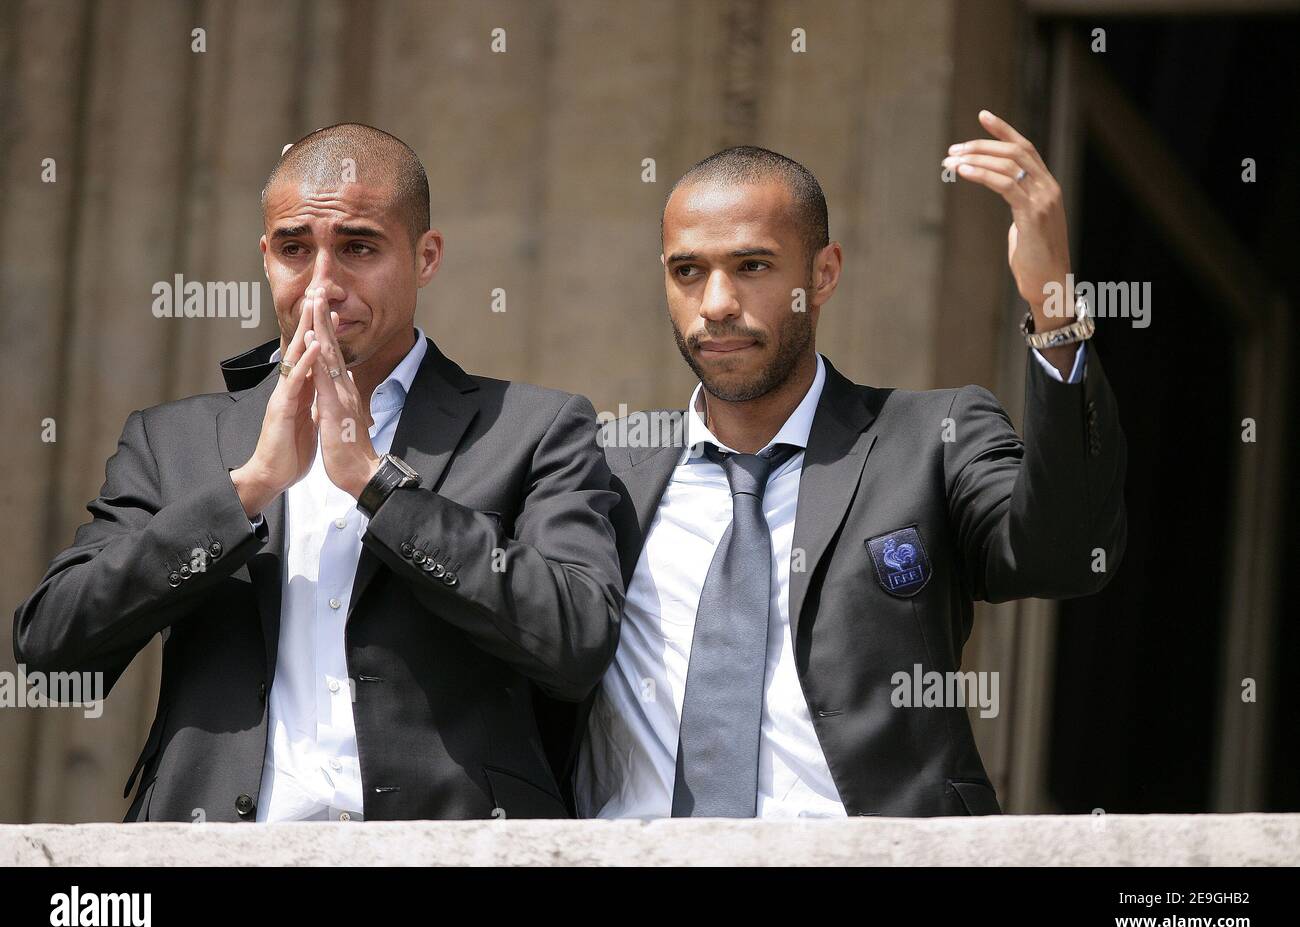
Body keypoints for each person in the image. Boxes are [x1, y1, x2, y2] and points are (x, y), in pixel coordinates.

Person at [14, 124, 624, 823]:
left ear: (426, 257)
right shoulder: (172, 439)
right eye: (295, 249)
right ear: (266, 256)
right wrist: (245, 491)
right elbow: (52, 650)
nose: (323, 285)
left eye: (359, 247)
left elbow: (577, 640)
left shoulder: (534, 428)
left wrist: (377, 485)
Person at [576, 113, 1127, 819]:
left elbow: (1071, 555)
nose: (716, 305)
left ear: (823, 273)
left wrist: (1052, 306)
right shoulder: (603, 471)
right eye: (689, 271)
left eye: (752, 266)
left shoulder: (932, 438)